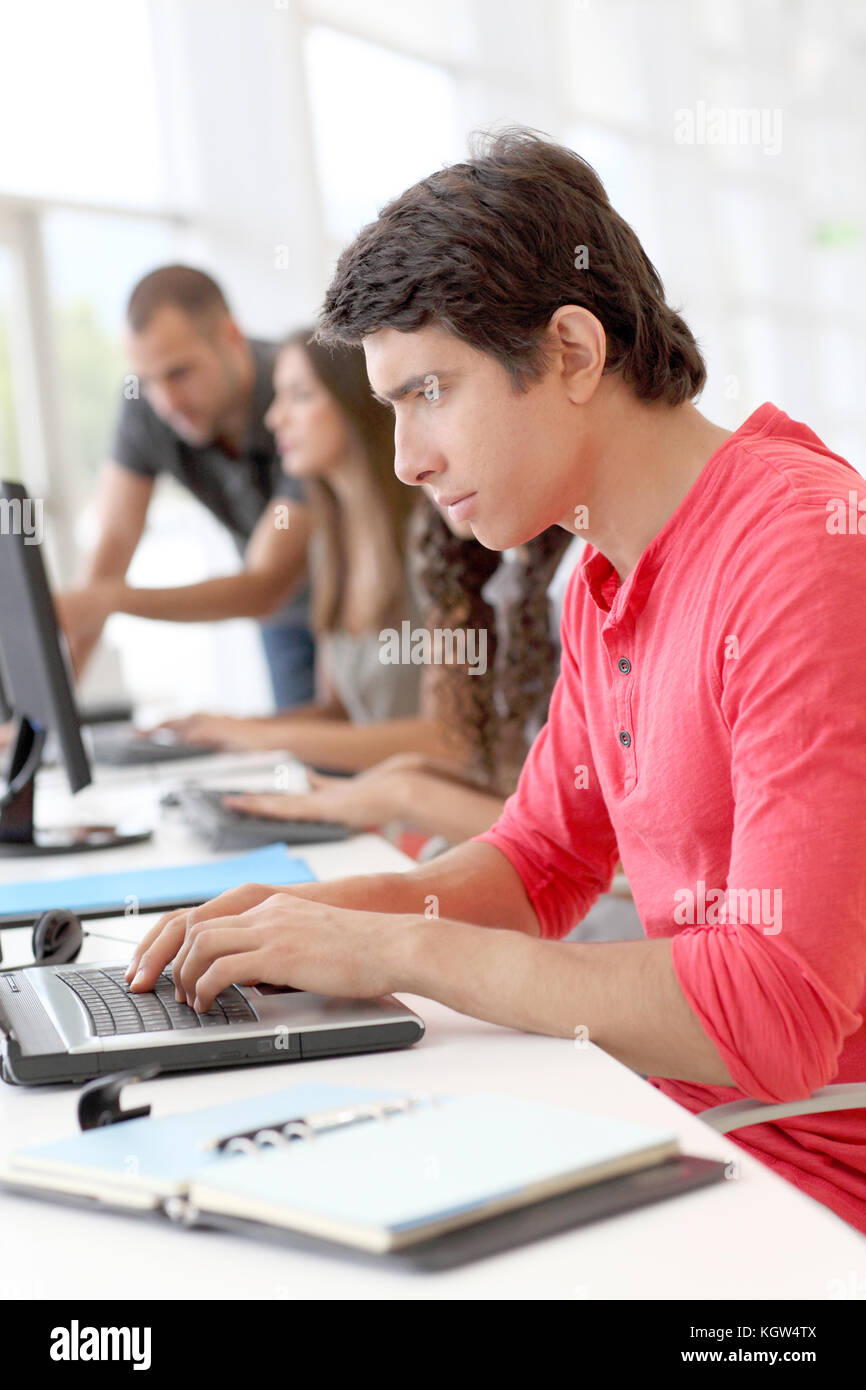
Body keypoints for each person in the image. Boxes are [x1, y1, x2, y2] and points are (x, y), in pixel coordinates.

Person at [127, 131, 866, 1235]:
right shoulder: (599, 580)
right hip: (695, 1124)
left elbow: (776, 1011)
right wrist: (302, 921)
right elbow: (539, 863)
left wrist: (403, 946)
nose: (404, 459)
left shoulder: (799, 546)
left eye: (428, 391)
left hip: (802, 1183)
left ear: (570, 351)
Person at [152, 331, 455, 771]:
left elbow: (443, 738)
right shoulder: (332, 543)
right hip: (381, 810)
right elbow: (340, 714)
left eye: (300, 395)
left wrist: (258, 736)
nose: (275, 419)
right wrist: (226, 729)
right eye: (277, 397)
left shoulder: (434, 539)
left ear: (358, 400)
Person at [221, 493, 580, 846]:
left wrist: (404, 794)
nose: (408, 471)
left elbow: (599, 847)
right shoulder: (501, 575)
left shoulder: (575, 578)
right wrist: (401, 779)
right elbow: (524, 788)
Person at [55, 266, 315, 708]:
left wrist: (108, 600)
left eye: (179, 373)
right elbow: (112, 547)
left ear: (230, 336)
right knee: (310, 757)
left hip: (363, 603)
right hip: (282, 615)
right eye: (149, 379)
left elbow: (265, 584)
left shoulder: (299, 389)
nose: (166, 402)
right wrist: (46, 714)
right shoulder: (146, 405)